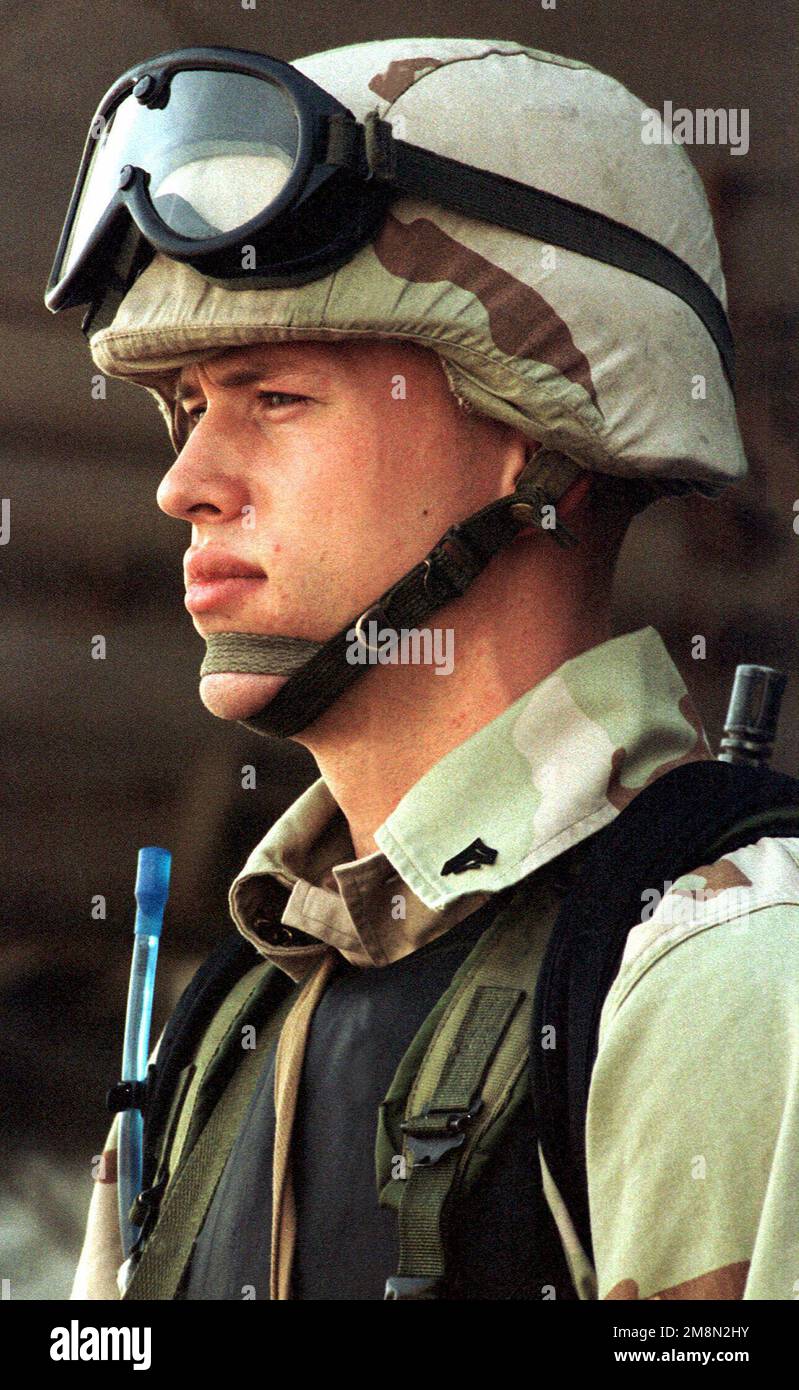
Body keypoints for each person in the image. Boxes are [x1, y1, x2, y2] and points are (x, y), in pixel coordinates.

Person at [51, 36, 799, 1301]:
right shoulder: (232, 1018)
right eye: (185, 406)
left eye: (273, 396)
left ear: (528, 429)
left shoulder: (715, 977)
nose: (184, 485)